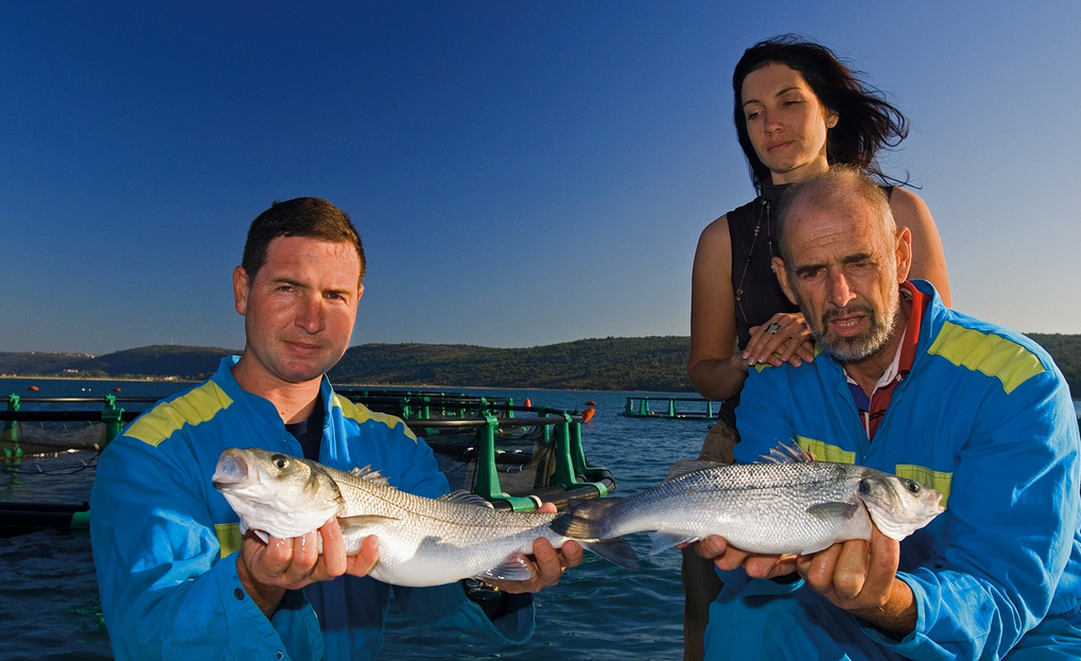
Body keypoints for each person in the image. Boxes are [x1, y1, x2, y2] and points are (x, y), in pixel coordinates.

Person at [90, 197, 583, 661]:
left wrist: (500, 577)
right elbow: (145, 638)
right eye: (288, 288)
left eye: (335, 295)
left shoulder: (394, 444)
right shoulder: (150, 453)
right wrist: (254, 584)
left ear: (358, 302)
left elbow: (430, 596)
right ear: (243, 290)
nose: (312, 320)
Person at [695, 167, 1081, 660]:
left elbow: (1003, 591)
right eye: (812, 272)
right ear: (785, 282)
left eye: (858, 263)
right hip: (832, 612)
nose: (840, 296)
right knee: (744, 624)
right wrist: (775, 563)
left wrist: (889, 602)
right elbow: (748, 566)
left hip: (1024, 631)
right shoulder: (774, 383)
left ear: (901, 256)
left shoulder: (1015, 380)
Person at [683, 35, 952, 660]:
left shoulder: (899, 210)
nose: (769, 124)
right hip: (750, 457)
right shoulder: (721, 238)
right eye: (751, 113)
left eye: (788, 102)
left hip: (879, 445)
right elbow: (705, 376)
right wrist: (749, 359)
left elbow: (933, 346)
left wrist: (821, 321)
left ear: (829, 110)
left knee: (906, 607)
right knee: (716, 614)